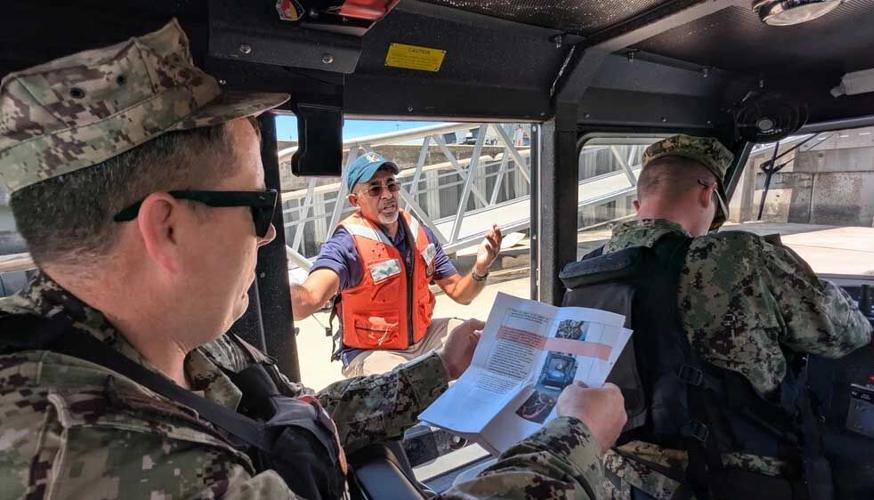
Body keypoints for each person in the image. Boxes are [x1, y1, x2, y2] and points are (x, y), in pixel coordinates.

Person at [0, 19, 627, 499]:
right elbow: (315, 293)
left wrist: (437, 370)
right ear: (165, 228)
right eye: (259, 208)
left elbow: (297, 416)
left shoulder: (187, 342)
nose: (269, 237)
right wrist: (575, 445)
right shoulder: (87, 458)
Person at [577, 135, 873, 499]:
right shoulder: (737, 255)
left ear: (639, 204)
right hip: (732, 479)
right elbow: (845, 333)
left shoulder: (583, 272)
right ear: (708, 193)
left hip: (619, 479)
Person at [290, 153, 503, 377]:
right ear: (355, 201)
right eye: (375, 189)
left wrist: (481, 268)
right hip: (373, 352)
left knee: (482, 339)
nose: (387, 195)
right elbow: (307, 300)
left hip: (423, 338)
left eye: (391, 185)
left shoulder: (418, 232)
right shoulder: (347, 243)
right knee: (405, 385)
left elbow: (461, 294)